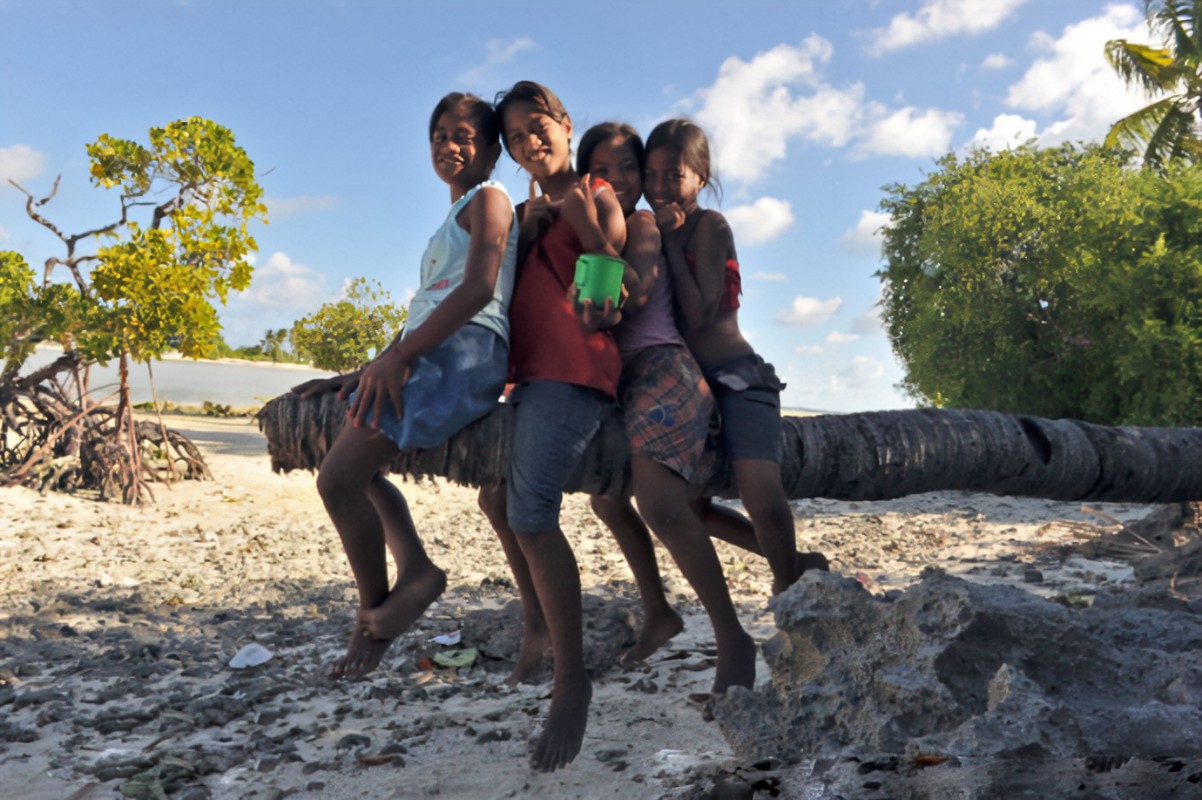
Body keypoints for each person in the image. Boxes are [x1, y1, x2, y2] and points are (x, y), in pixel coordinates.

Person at [292, 92, 517, 680]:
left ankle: (374, 622)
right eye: (439, 134)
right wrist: (367, 369)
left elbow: (478, 289)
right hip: (434, 349)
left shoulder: (491, 199)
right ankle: (416, 570)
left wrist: (397, 357)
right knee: (358, 473)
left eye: (464, 135)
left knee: (338, 480)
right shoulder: (457, 212)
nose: (449, 145)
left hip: (465, 351)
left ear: (492, 150)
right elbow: (429, 306)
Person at [475, 80, 630, 773]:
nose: (528, 141)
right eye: (513, 137)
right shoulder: (530, 209)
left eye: (538, 126)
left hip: (575, 373)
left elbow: (606, 288)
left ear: (566, 125)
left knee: (533, 514)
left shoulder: (596, 193)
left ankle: (572, 681)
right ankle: (535, 622)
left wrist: (579, 221)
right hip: (530, 377)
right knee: (493, 498)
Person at [575, 122, 766, 673]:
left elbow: (631, 298)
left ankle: (732, 638)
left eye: (627, 169)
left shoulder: (640, 224)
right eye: (603, 171)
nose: (619, 180)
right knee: (609, 498)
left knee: (662, 504)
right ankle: (660, 609)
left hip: (662, 366)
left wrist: (590, 245)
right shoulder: (611, 220)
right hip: (622, 377)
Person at [643, 118, 804, 596]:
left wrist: (670, 241)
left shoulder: (708, 225)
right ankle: (796, 562)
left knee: (763, 495)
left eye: (674, 175)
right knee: (691, 505)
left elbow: (699, 312)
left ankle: (786, 583)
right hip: (690, 386)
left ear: (701, 176)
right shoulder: (645, 228)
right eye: (650, 176)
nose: (660, 187)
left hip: (736, 376)